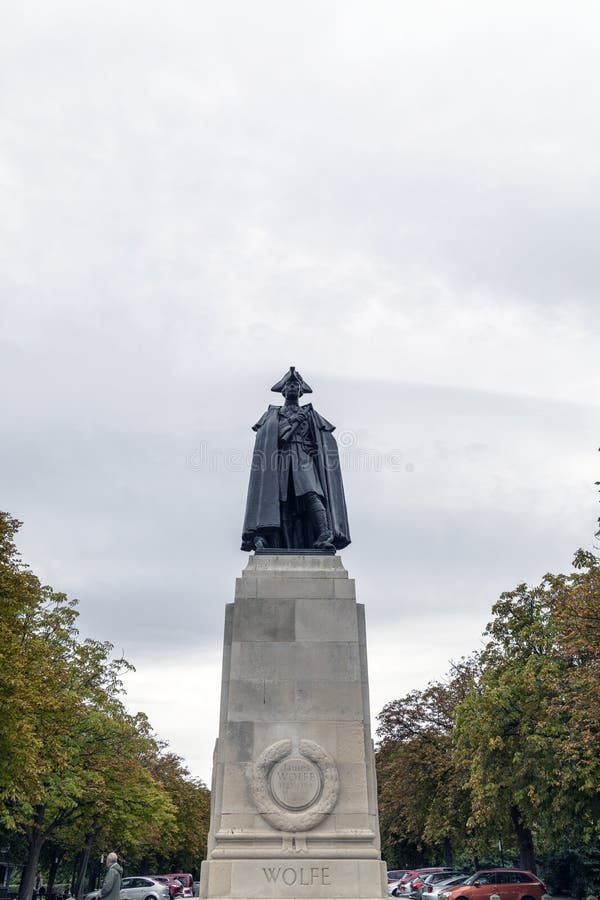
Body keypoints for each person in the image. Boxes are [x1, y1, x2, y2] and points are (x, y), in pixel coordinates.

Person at [241, 367, 350, 551]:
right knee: (280, 500)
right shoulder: (272, 414)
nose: (292, 387)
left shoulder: (310, 414)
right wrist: (292, 422)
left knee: (312, 493)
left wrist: (317, 449)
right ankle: (274, 541)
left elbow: (324, 439)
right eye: (289, 385)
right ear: (283, 391)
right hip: (280, 460)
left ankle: (324, 534)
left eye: (295, 385)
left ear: (300, 391)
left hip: (304, 457)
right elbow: (267, 437)